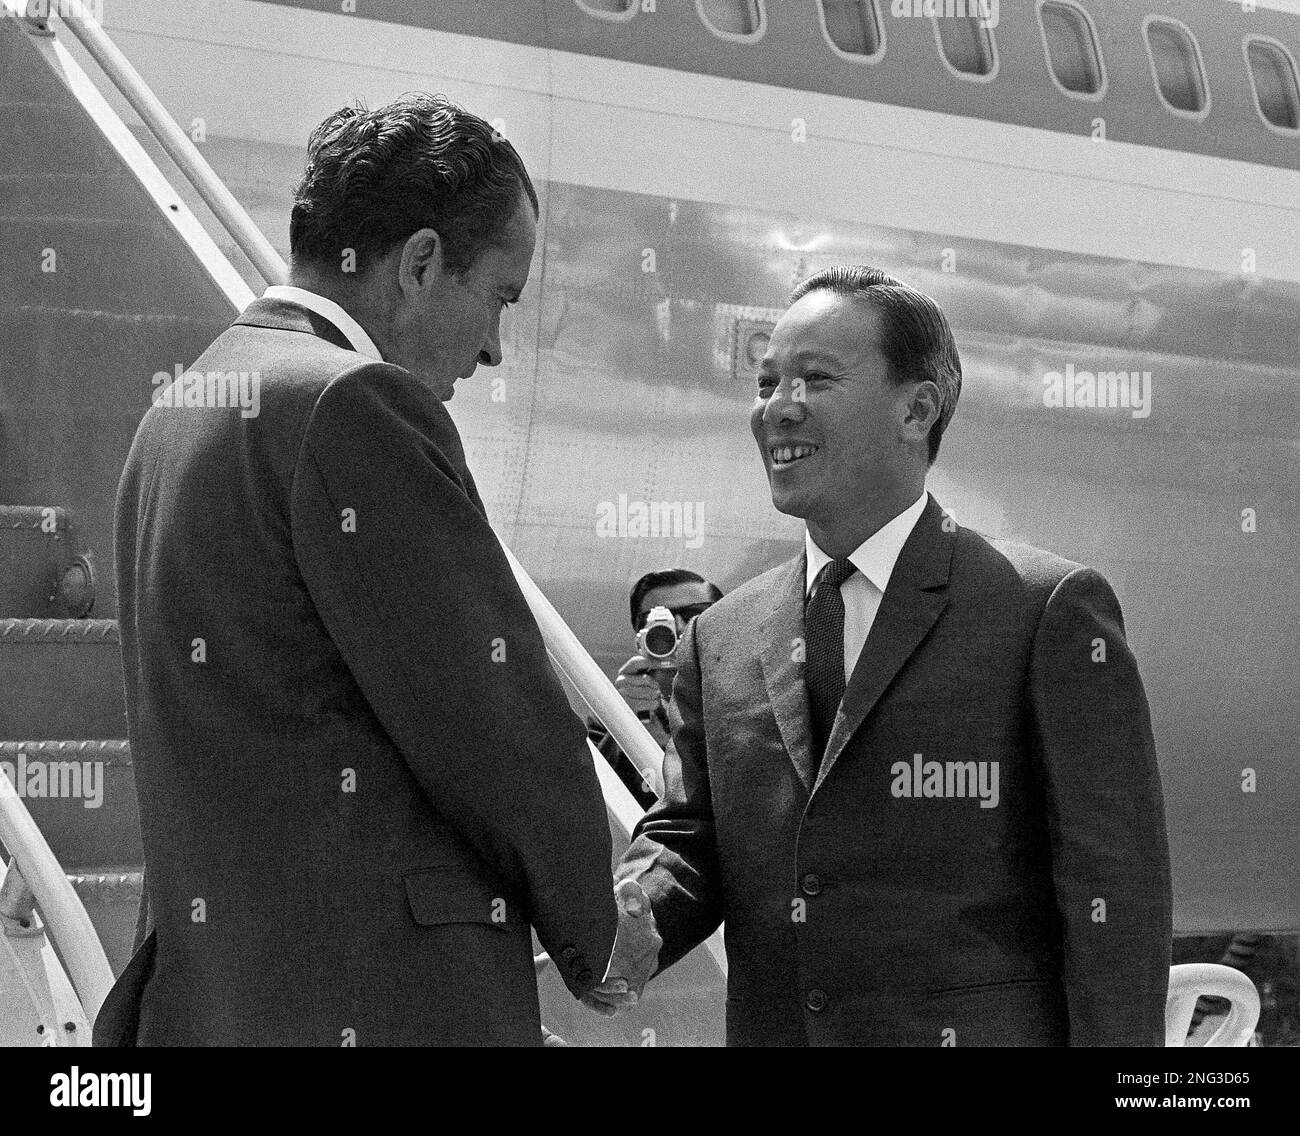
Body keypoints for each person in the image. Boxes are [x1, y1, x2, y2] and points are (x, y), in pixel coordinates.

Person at [95, 94, 620, 1046]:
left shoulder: (181, 409)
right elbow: (487, 711)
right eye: (499, 297)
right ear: (419, 263)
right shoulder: (352, 405)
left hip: (218, 1000)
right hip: (369, 997)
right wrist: (602, 925)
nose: (494, 348)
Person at [592, 265, 1173, 1045]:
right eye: (766, 382)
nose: (778, 407)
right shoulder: (720, 636)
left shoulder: (1045, 612)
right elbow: (691, 837)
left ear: (917, 409)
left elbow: (1116, 897)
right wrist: (635, 914)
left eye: (815, 378)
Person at [587, 569, 722, 806]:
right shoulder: (610, 716)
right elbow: (593, 799)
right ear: (641, 638)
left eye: (695, 615)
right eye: (659, 620)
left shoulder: (752, 699)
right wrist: (626, 722)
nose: (679, 628)